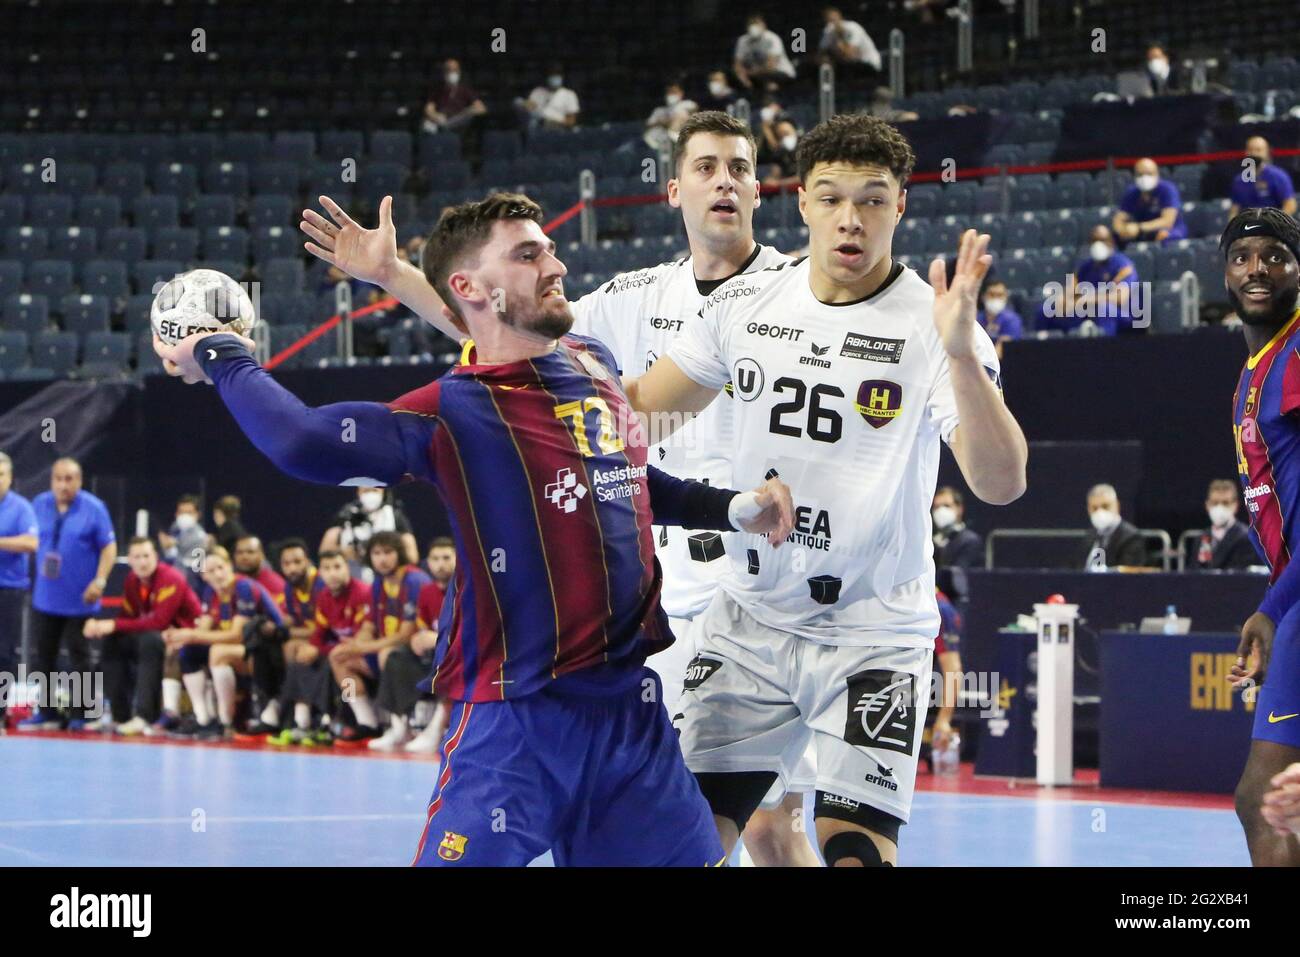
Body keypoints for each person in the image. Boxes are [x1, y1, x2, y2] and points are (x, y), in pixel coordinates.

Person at [156, 191, 794, 866]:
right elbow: (302, 441)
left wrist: (729, 509)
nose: (555, 261)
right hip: (514, 727)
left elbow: (626, 477)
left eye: (547, 246)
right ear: (470, 286)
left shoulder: (591, 363)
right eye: (528, 253)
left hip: (629, 723)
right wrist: (222, 353)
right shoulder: (451, 413)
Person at [298, 112, 814, 865]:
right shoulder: (630, 296)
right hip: (663, 599)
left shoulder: (797, 292)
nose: (724, 180)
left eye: (740, 166)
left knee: (772, 825)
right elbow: (498, 322)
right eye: (706, 167)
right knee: (690, 826)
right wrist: (394, 276)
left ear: (762, 189)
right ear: (674, 189)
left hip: (768, 592)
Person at [622, 113, 1028, 866]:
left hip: (874, 634)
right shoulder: (744, 305)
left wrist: (963, 356)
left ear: (901, 206)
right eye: (833, 197)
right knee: (680, 845)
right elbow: (642, 415)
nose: (852, 219)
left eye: (873, 199)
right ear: (802, 202)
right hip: (750, 625)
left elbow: (1001, 482)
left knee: (855, 854)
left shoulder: (935, 326)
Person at [1220, 206, 1300, 866]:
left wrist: (1275, 608)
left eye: (1275, 255)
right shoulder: (1256, 368)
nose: (1257, 268)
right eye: (1243, 255)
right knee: (1279, 800)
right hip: (1291, 597)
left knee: (1266, 797)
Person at [20, 457, 116, 732]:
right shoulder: (39, 504)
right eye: (58, 479)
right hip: (46, 598)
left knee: (80, 658)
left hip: (81, 599)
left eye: (69, 479)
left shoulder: (94, 508)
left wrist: (99, 581)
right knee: (44, 656)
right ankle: (47, 712)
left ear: (79, 480)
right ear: (51, 480)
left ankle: (82, 713)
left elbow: (109, 547)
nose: (63, 485)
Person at [163, 546, 283, 740]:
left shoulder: (244, 587)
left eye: (221, 567)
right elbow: (204, 629)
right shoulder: (212, 593)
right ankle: (203, 719)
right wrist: (180, 637)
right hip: (245, 647)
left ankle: (225, 723)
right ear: (204, 576)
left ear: (229, 567)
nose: (218, 574)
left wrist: (191, 635)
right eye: (211, 571)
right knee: (188, 650)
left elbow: (237, 635)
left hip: (268, 650)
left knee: (218, 652)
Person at [83, 537, 201, 735]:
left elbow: (159, 622)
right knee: (113, 641)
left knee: (150, 640)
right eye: (137, 557)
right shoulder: (132, 581)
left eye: (146, 556)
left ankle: (144, 716)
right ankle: (119, 716)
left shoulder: (171, 577)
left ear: (155, 556)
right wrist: (100, 627)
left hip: (186, 638)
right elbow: (127, 617)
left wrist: (112, 624)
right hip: (160, 637)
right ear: (129, 560)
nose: (142, 562)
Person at [269, 549, 367, 747]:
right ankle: (301, 722)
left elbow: (358, 637)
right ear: (320, 572)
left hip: (357, 651)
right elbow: (319, 632)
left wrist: (320, 649)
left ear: (347, 568)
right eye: (327, 568)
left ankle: (350, 720)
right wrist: (314, 647)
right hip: (336, 647)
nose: (332, 573)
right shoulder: (324, 597)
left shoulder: (361, 592)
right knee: (302, 659)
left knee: (335, 661)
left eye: (337, 567)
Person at [359, 531, 433, 751]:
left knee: (387, 655)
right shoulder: (378, 583)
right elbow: (369, 625)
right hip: (385, 649)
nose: (382, 559)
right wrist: (354, 645)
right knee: (341, 660)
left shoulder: (414, 580)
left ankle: (399, 724)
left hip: (419, 653)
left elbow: (406, 634)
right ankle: (365, 720)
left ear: (399, 553)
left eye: (388, 552)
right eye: (377, 553)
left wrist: (364, 646)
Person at [404, 536, 456, 755]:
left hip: (459, 652)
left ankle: (435, 730)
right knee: (397, 658)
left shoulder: (467, 588)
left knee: (450, 660)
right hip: (434, 650)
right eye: (435, 559)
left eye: (446, 558)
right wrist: (417, 638)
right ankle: (400, 725)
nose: (441, 564)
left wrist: (436, 638)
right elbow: (420, 626)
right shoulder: (425, 591)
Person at [0, 451, 37, 729]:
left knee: (4, 653)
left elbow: (31, 543)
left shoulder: (21, 507)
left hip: (9, 590)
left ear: (10, 478)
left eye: (1, 474)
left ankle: (1, 711)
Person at [1048, 225, 1140, 336]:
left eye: (1102, 240)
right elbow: (1070, 291)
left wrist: (1087, 299)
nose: (1098, 244)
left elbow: (1120, 298)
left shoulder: (1123, 265)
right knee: (1050, 309)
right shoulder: (1085, 267)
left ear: (1111, 242)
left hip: (1121, 313)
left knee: (1104, 309)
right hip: (1090, 312)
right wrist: (1063, 301)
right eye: (1094, 240)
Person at [320, 486, 418, 571]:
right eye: (366, 491)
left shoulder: (395, 516)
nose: (370, 495)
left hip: (388, 572)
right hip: (354, 571)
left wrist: (389, 553)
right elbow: (324, 554)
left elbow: (413, 556)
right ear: (358, 492)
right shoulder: (346, 515)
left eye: (374, 490)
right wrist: (342, 552)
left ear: (383, 492)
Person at [1112, 158, 1188, 247]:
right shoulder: (1131, 192)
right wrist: (1122, 230)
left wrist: (1139, 227)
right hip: (1141, 231)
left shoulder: (1167, 189)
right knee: (1114, 238)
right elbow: (1118, 219)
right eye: (1140, 174)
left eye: (1149, 173)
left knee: (1164, 236)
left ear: (1157, 174)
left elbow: (1167, 221)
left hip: (1169, 229)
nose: (1144, 178)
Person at [1185, 479, 1258, 571]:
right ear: (1207, 505)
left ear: (1235, 505)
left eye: (1225, 503)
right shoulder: (1202, 538)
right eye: (1215, 503)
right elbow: (1193, 571)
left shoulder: (1247, 537)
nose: (1219, 508)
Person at [931, 485, 982, 602]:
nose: (940, 511)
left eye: (946, 506)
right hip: (933, 602)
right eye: (936, 507)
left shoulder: (970, 540)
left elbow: (957, 576)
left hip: (958, 604)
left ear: (959, 508)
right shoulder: (931, 542)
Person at [1081, 483, 1150, 569]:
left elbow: (1127, 575)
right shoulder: (1090, 536)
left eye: (1105, 506)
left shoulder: (1131, 538)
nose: (1100, 512)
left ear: (1117, 505)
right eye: (1094, 508)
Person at [1229, 136, 1297, 220]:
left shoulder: (1279, 176)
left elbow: (1290, 205)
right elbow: (1234, 210)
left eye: (1258, 150)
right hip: (1248, 227)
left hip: (1274, 225)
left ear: (1267, 152)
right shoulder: (1239, 181)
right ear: (1246, 152)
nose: (1254, 153)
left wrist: (1276, 224)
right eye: (1250, 149)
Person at [421, 58, 487, 138]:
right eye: (448, 70)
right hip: (441, 119)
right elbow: (428, 109)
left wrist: (468, 111)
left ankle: (444, 128)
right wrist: (436, 116)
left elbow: (482, 109)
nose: (452, 73)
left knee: (468, 116)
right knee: (425, 124)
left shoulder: (465, 90)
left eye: (455, 70)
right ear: (444, 73)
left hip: (458, 120)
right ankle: (442, 128)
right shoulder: (437, 90)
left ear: (459, 72)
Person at [818, 7, 882, 86]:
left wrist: (839, 38)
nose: (832, 24)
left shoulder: (853, 27)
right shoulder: (828, 31)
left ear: (840, 17)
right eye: (829, 21)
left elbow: (850, 55)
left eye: (834, 20)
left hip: (868, 65)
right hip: (848, 66)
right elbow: (820, 54)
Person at [733, 13, 795, 93]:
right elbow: (737, 64)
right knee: (733, 76)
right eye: (751, 24)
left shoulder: (772, 38)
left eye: (757, 24)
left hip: (780, 72)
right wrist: (744, 79)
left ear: (764, 26)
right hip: (755, 74)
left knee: (767, 78)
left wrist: (750, 73)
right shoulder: (742, 41)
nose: (754, 27)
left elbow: (770, 66)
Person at [157, 493, 206, 589]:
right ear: (176, 514)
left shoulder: (201, 538)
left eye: (189, 512)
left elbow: (198, 568)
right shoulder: (174, 529)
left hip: (190, 585)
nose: (184, 516)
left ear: (197, 515)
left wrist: (175, 545)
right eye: (181, 512)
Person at [516, 63, 580, 132]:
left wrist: (549, 123)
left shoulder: (569, 94)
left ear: (562, 76)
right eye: (552, 74)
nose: (554, 77)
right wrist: (524, 105)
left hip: (559, 132)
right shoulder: (537, 92)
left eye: (557, 74)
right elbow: (530, 107)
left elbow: (571, 122)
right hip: (538, 131)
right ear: (547, 76)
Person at [232, 535, 286, 609]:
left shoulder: (275, 583)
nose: (244, 557)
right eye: (239, 552)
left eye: (250, 552)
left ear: (262, 555)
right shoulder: (229, 583)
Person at [643, 81, 698, 154]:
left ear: (681, 93)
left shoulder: (687, 104)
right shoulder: (659, 110)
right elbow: (648, 125)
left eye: (674, 92)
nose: (671, 94)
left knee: (681, 115)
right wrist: (662, 123)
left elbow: (693, 113)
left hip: (681, 139)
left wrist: (667, 122)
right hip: (660, 143)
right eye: (669, 92)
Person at [977, 280, 1023, 357]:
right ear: (983, 297)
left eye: (1000, 295)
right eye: (991, 294)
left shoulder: (1012, 320)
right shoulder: (976, 319)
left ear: (1006, 297)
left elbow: (1000, 350)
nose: (996, 298)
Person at [762, 118, 800, 188]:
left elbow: (803, 177)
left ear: (795, 131)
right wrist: (770, 180)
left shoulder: (806, 148)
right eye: (780, 136)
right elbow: (775, 173)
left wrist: (779, 183)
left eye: (786, 133)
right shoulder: (780, 152)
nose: (784, 138)